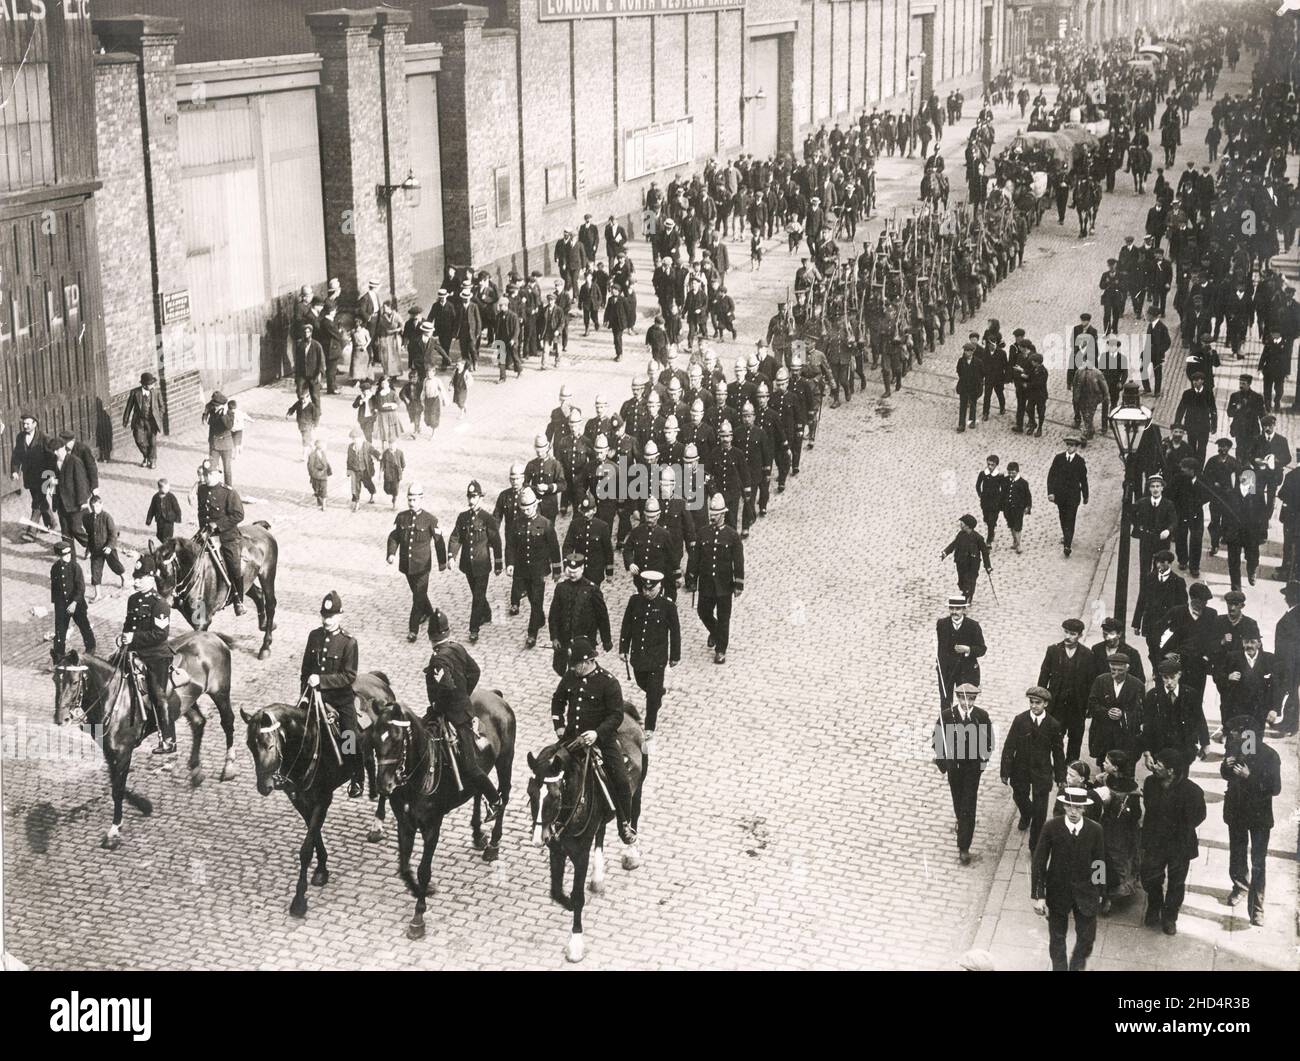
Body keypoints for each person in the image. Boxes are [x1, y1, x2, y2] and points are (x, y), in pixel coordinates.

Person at [550, 636, 637, 844]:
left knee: (621, 781)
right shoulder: (571, 676)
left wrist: (597, 733)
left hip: (601, 741)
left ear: (589, 661)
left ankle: (625, 824)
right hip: (572, 739)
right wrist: (559, 725)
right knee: (548, 769)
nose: (574, 669)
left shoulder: (609, 682)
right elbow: (558, 700)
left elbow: (616, 716)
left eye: (577, 665)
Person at [1032, 788, 1106, 971]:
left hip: (1086, 891)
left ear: (1084, 809)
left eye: (1078, 807)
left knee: (1087, 938)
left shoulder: (1095, 830)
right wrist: (1039, 895)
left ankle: (1076, 967)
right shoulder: (1052, 827)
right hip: (1058, 890)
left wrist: (1100, 892)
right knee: (1057, 939)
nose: (1074, 812)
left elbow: (1099, 862)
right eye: (1070, 806)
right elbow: (1039, 862)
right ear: (1064, 806)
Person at [424, 647, 502, 821]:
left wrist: (446, 704)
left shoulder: (439, 659)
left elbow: (447, 688)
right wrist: (464, 695)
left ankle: (494, 800)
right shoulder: (457, 648)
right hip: (446, 710)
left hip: (458, 717)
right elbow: (475, 671)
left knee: (470, 766)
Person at [1221, 715, 1282, 927]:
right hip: (1236, 812)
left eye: (1235, 732)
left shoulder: (1270, 756)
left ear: (1249, 734)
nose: (1232, 736)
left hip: (1259, 817)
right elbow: (1226, 775)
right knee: (1237, 853)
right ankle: (1239, 886)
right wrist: (1226, 766)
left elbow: (1275, 788)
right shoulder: (1234, 748)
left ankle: (1256, 908)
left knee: (1258, 862)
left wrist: (1250, 777)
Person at [302, 591, 364, 798]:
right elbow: (305, 670)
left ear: (340, 617)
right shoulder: (314, 637)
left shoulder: (349, 642)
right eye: (324, 616)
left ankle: (357, 776)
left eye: (331, 617)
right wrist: (304, 694)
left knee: (350, 736)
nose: (327, 621)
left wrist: (322, 681)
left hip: (340, 700)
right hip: (314, 697)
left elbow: (349, 676)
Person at [1141, 747, 1206, 935]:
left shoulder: (1192, 791)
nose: (1154, 766)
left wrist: (1178, 824)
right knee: (1150, 876)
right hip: (1155, 840)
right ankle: (1155, 905)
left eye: (1159, 764)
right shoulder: (1150, 783)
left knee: (1176, 882)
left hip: (1180, 844)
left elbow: (1198, 817)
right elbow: (1149, 806)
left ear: (1171, 770)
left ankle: (1170, 917)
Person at [118, 554, 176, 755]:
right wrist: (123, 638)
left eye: (140, 578)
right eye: (135, 577)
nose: (135, 581)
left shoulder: (160, 604)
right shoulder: (133, 600)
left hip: (155, 656)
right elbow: (128, 625)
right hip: (132, 652)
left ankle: (168, 739)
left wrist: (133, 638)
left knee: (157, 696)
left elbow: (160, 635)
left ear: (151, 579)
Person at [933, 682, 994, 866]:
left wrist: (981, 764)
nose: (967, 702)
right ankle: (961, 821)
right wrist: (945, 764)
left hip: (972, 770)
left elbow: (988, 742)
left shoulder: (981, 716)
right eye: (964, 698)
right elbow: (937, 742)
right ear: (958, 698)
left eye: (972, 699)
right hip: (955, 768)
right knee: (958, 801)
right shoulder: (946, 716)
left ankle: (964, 847)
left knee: (968, 804)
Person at [1000, 686, 1066, 852]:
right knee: (1019, 795)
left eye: (1038, 703)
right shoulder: (1020, 720)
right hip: (1020, 768)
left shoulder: (1053, 725)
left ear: (1045, 704)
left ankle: (1035, 845)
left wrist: (1061, 776)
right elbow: (1009, 746)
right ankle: (1026, 813)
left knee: (1041, 811)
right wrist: (1005, 770)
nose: (1034, 706)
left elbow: (1058, 753)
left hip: (1042, 771)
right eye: (1031, 702)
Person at [618, 569, 680, 744]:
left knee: (651, 695)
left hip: (657, 658)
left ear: (659, 587)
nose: (647, 592)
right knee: (641, 682)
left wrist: (675, 656)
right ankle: (658, 692)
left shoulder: (668, 606)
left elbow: (675, 633)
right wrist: (624, 648)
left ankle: (650, 726)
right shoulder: (635, 601)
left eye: (651, 589)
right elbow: (627, 625)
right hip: (639, 655)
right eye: (645, 589)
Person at [685, 491, 744, 664]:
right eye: (711, 514)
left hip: (725, 584)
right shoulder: (703, 533)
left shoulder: (732, 536)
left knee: (724, 617)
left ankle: (721, 650)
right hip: (707, 583)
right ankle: (716, 632)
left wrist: (738, 584)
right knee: (703, 612)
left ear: (723, 514)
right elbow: (695, 558)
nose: (712, 517)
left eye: (716, 514)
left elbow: (738, 561)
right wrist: (692, 578)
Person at [385, 483, 448, 643]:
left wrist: (442, 562)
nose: (411, 502)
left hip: (422, 566)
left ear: (421, 499)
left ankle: (413, 629)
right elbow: (394, 537)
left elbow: (439, 542)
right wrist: (391, 553)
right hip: (407, 566)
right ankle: (430, 614)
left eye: (414, 499)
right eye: (409, 499)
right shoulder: (401, 517)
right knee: (419, 594)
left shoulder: (430, 520)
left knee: (417, 597)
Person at [506, 487, 562, 649]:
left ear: (536, 505)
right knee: (531, 598)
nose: (527, 511)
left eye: (530, 508)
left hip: (539, 570)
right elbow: (510, 545)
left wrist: (557, 569)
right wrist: (510, 563)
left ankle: (532, 634)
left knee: (537, 601)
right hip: (522, 569)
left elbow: (554, 548)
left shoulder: (545, 524)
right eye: (524, 509)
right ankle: (541, 618)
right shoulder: (516, 523)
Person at [449, 480, 503, 644]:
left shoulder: (488, 519)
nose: (471, 501)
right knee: (476, 593)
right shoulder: (463, 517)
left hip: (482, 564)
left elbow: (496, 541)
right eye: (469, 497)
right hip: (467, 564)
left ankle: (474, 629)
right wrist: (451, 556)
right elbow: (456, 537)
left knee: (477, 597)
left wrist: (499, 563)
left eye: (475, 497)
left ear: (481, 498)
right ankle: (486, 613)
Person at [1037, 618, 1097, 763]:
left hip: (1077, 705)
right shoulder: (1053, 650)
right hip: (1056, 704)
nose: (1068, 637)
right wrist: (1040, 699)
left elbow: (1091, 681)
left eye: (1073, 634)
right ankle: (1053, 765)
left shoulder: (1087, 655)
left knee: (1075, 738)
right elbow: (1044, 676)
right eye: (1066, 632)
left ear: (1080, 635)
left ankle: (1071, 766)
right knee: (1054, 736)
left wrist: (1089, 705)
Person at [548, 552, 612, 676]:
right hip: (564, 639)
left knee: (581, 669)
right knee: (560, 668)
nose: (572, 574)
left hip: (584, 640)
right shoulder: (561, 588)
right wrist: (554, 637)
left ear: (582, 569)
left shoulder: (592, 590)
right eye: (569, 571)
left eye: (575, 571)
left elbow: (602, 617)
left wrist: (606, 640)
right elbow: (554, 614)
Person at [195, 461, 245, 616]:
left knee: (234, 566)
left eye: (211, 474)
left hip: (226, 536)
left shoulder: (229, 492)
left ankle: (238, 600)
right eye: (205, 474)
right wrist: (203, 529)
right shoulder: (202, 489)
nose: (208, 477)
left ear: (218, 474)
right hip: (206, 534)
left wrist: (218, 525)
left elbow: (239, 515)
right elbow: (201, 512)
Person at [1142, 657, 1209, 765]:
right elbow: (1147, 725)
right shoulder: (1153, 695)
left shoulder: (1190, 694)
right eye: (1165, 677)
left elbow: (1199, 718)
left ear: (1179, 674)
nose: (1169, 682)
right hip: (1160, 748)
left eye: (1172, 677)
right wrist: (1147, 753)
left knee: (1181, 778)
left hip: (1184, 748)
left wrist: (1205, 743)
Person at [1087, 651, 1145, 768]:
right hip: (1104, 734)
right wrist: (1106, 712)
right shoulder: (1100, 680)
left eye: (1120, 671)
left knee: (1125, 766)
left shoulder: (1137, 685)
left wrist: (1123, 715)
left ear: (1127, 669)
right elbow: (1092, 703)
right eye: (1113, 670)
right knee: (1104, 766)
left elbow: (1140, 712)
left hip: (1125, 736)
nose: (1116, 674)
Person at [1132, 549, 1187, 666]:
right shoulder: (1149, 578)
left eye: (1162, 562)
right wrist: (1136, 623)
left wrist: (1180, 625)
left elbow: (1183, 606)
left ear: (1169, 563)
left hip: (1168, 623)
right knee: (1152, 649)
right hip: (1151, 621)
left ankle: (1158, 672)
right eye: (1157, 562)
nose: (1159, 565)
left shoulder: (1178, 582)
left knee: (1163, 649)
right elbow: (1141, 600)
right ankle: (1156, 669)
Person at [936, 594, 985, 711]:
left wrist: (968, 649)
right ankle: (946, 724)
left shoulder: (973, 626)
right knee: (945, 701)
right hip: (947, 670)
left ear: (964, 609)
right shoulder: (942, 624)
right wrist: (939, 665)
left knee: (965, 701)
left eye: (957, 609)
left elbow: (982, 649)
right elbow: (941, 647)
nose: (954, 612)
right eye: (951, 608)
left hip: (966, 670)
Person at [9, 412, 54, 536]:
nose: (25, 426)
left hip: (44, 476)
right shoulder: (20, 437)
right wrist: (14, 470)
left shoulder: (44, 438)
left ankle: (31, 531)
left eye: (28, 424)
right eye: (24, 424)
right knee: (39, 499)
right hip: (30, 476)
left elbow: (51, 457)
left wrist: (51, 476)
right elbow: (16, 455)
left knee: (37, 502)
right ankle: (51, 523)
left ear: (35, 424)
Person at [50, 540, 94, 663]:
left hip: (77, 605)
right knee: (60, 632)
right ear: (59, 555)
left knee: (84, 627)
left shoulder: (75, 567)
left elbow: (81, 588)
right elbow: (55, 588)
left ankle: (91, 648)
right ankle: (58, 656)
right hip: (62, 606)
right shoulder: (55, 568)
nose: (68, 556)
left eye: (69, 553)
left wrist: (74, 603)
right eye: (65, 554)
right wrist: (58, 607)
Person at [1046, 435, 1088, 557]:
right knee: (1063, 517)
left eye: (1072, 446)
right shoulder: (1059, 459)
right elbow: (1051, 476)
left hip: (1073, 497)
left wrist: (1085, 495)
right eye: (1068, 445)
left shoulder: (1080, 462)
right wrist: (1051, 492)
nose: (1070, 447)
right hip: (1060, 496)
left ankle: (1067, 545)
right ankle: (1066, 535)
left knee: (1071, 518)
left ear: (1076, 447)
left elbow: (1083, 480)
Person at [82, 492, 125, 601]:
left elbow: (113, 534)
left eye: (97, 506)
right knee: (95, 571)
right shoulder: (87, 518)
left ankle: (123, 577)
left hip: (108, 549)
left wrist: (110, 546)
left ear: (101, 505)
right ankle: (98, 594)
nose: (94, 508)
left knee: (115, 565)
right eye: (92, 506)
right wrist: (88, 550)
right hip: (96, 549)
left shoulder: (107, 517)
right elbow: (90, 535)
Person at [940, 515, 992, 604]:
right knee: (961, 582)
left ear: (967, 526)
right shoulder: (961, 534)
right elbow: (954, 544)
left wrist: (988, 566)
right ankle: (966, 592)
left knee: (969, 581)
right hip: (960, 562)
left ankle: (967, 596)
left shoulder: (978, 538)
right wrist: (945, 552)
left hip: (972, 564)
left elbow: (985, 553)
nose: (960, 524)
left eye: (962, 523)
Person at [122, 371, 162, 468]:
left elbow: (162, 406)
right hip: (139, 420)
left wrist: (158, 416)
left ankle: (152, 460)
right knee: (139, 440)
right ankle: (146, 456)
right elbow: (128, 407)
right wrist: (125, 420)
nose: (152, 385)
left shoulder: (156, 392)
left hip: (152, 421)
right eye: (150, 384)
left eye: (153, 383)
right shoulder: (135, 393)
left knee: (152, 441)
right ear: (144, 385)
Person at [202, 391, 237, 485]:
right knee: (212, 468)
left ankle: (229, 488)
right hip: (214, 445)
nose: (215, 407)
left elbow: (229, 426)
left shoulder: (229, 413)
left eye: (217, 405)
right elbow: (208, 405)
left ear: (223, 405)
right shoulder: (213, 407)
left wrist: (224, 414)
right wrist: (204, 416)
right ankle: (214, 485)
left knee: (227, 469)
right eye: (214, 405)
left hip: (226, 446)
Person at [345, 429, 378, 512]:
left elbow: (373, 451)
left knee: (368, 484)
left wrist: (379, 456)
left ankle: (372, 494)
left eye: (356, 438)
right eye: (353, 438)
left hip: (365, 470)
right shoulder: (350, 447)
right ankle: (357, 503)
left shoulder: (366, 445)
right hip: (355, 471)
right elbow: (349, 459)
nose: (355, 440)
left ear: (361, 438)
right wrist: (348, 470)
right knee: (356, 487)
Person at [1002, 462, 1031, 553]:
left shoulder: (1023, 483)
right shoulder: (1006, 480)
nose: (1011, 475)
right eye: (1009, 473)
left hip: (1018, 509)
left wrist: (1028, 507)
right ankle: (1015, 540)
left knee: (1018, 526)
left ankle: (1018, 545)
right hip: (1008, 508)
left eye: (1013, 473)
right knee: (1011, 525)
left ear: (1017, 472)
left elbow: (1028, 496)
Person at [145, 478, 182, 543]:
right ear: (160, 488)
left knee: (167, 537)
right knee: (159, 535)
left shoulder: (171, 497)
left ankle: (167, 550)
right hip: (160, 520)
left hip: (169, 520)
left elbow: (177, 508)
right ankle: (164, 545)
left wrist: (178, 517)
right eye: (166, 488)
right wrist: (149, 520)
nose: (168, 489)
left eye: (168, 487)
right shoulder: (155, 497)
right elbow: (151, 509)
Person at [379, 439, 405, 508]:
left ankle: (394, 501)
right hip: (388, 474)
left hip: (396, 475)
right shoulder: (385, 453)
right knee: (386, 489)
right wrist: (380, 473)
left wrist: (401, 471)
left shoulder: (400, 453)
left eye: (393, 444)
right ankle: (392, 493)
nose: (392, 446)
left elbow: (403, 464)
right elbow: (382, 463)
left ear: (396, 444)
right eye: (390, 444)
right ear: (388, 445)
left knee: (395, 489)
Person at [307, 440, 331, 510]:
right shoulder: (312, 455)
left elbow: (326, 462)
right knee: (316, 489)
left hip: (323, 475)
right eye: (324, 446)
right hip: (315, 476)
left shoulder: (323, 453)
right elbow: (310, 466)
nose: (325, 448)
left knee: (324, 489)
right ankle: (319, 501)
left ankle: (324, 504)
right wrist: (314, 474)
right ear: (319, 447)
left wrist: (328, 470)